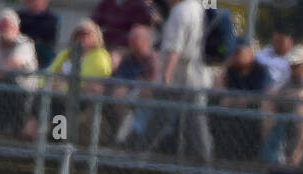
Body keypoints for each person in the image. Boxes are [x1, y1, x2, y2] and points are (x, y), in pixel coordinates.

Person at [159, 0, 213, 164]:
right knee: (193, 121)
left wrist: (165, 78)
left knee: (194, 121)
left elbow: (174, 50)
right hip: (199, 75)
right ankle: (201, 160)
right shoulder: (197, 7)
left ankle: (137, 157)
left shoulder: (180, 11)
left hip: (185, 78)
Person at [262, 43, 303, 167]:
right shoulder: (288, 77)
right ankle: (269, 148)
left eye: (296, 65)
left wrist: (283, 94)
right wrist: (283, 93)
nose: (293, 68)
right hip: (291, 118)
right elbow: (270, 93)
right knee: (268, 104)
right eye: (291, 65)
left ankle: (298, 153)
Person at [218, 38, 268, 161]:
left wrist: (237, 100)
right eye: (235, 52)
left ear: (251, 53)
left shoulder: (260, 70)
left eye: (240, 52)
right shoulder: (231, 69)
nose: (236, 55)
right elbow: (218, 90)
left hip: (253, 110)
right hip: (232, 112)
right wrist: (225, 66)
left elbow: (261, 96)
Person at [90, 0, 156, 55]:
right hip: (105, 43)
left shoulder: (139, 5)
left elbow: (141, 30)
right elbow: (93, 22)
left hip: (126, 47)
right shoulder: (106, 3)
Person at [17, 0, 59, 70]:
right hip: (21, 50)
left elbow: (38, 32)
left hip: (42, 52)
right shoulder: (20, 15)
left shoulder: (51, 18)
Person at [256, 26, 296, 91]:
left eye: (280, 42)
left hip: (281, 91)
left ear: (290, 42)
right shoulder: (264, 53)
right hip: (259, 87)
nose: (276, 44)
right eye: (275, 40)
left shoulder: (295, 59)